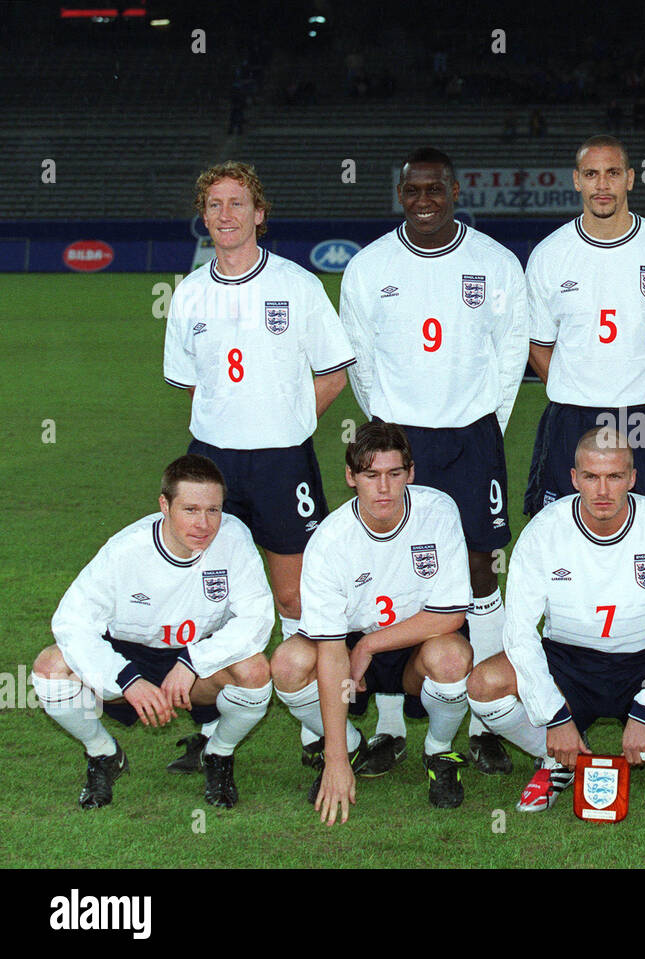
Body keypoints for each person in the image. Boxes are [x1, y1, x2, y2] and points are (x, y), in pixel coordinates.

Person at [340, 147, 527, 778]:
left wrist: (486, 425)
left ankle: (486, 715)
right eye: (413, 190)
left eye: (435, 190)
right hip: (400, 440)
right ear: (401, 193)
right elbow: (360, 358)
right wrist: (389, 429)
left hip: (472, 437)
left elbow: (511, 354)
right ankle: (391, 724)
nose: (424, 201)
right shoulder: (369, 267)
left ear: (454, 191)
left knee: (478, 568)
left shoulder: (494, 262)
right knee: (395, 569)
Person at [163, 161, 355, 767]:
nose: (225, 215)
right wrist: (231, 427)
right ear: (205, 215)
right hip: (211, 463)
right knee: (207, 590)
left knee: (295, 592)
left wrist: (288, 425)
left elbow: (334, 372)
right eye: (214, 204)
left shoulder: (298, 285)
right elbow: (193, 386)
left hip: (283, 461)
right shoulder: (189, 292)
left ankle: (311, 723)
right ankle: (211, 718)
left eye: (237, 203)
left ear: (259, 214)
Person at [467, 428, 645, 816]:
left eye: (614, 477)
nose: (602, 490)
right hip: (568, 662)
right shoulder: (543, 533)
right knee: (483, 684)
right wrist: (555, 716)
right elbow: (518, 635)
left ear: (632, 478)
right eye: (592, 477)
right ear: (574, 478)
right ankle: (557, 759)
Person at [35, 455, 274, 809]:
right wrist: (127, 678)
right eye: (190, 509)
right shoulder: (125, 550)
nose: (204, 524)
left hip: (195, 661)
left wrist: (193, 660)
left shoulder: (234, 537)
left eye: (213, 510)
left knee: (255, 671)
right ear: (164, 505)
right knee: (50, 668)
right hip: (128, 653)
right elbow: (72, 622)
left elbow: (257, 617)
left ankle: (218, 754)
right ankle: (103, 754)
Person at [269, 422, 474, 825]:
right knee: (288, 663)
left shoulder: (438, 511)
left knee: (452, 658)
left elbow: (451, 614)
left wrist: (370, 646)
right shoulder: (329, 542)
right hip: (348, 648)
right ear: (351, 477)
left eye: (394, 474)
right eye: (371, 475)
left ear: (410, 473)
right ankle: (348, 745)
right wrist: (336, 761)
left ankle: (439, 751)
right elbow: (330, 652)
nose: (384, 488)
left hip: (419, 638)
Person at [523, 135, 645, 532]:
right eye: (591, 174)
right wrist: (576, 389)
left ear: (630, 179)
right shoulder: (549, 255)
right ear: (576, 180)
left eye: (612, 173)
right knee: (557, 530)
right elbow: (538, 344)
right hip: (572, 416)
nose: (602, 185)